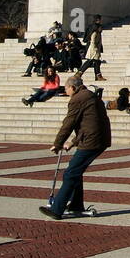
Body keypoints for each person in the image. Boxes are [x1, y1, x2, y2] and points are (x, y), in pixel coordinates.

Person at [39, 75, 111, 219]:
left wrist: (57, 143)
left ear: (72, 87)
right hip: (97, 138)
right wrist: (73, 141)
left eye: (66, 89)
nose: (66, 92)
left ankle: (57, 209)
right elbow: (89, 123)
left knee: (70, 173)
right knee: (76, 171)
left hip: (92, 141)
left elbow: (69, 123)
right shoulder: (90, 95)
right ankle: (76, 205)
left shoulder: (78, 99)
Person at [78, 17, 105, 82]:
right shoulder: (95, 32)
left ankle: (97, 76)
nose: (102, 29)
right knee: (91, 61)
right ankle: (79, 74)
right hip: (92, 49)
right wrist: (96, 50)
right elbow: (93, 42)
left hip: (93, 48)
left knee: (96, 62)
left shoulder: (95, 31)